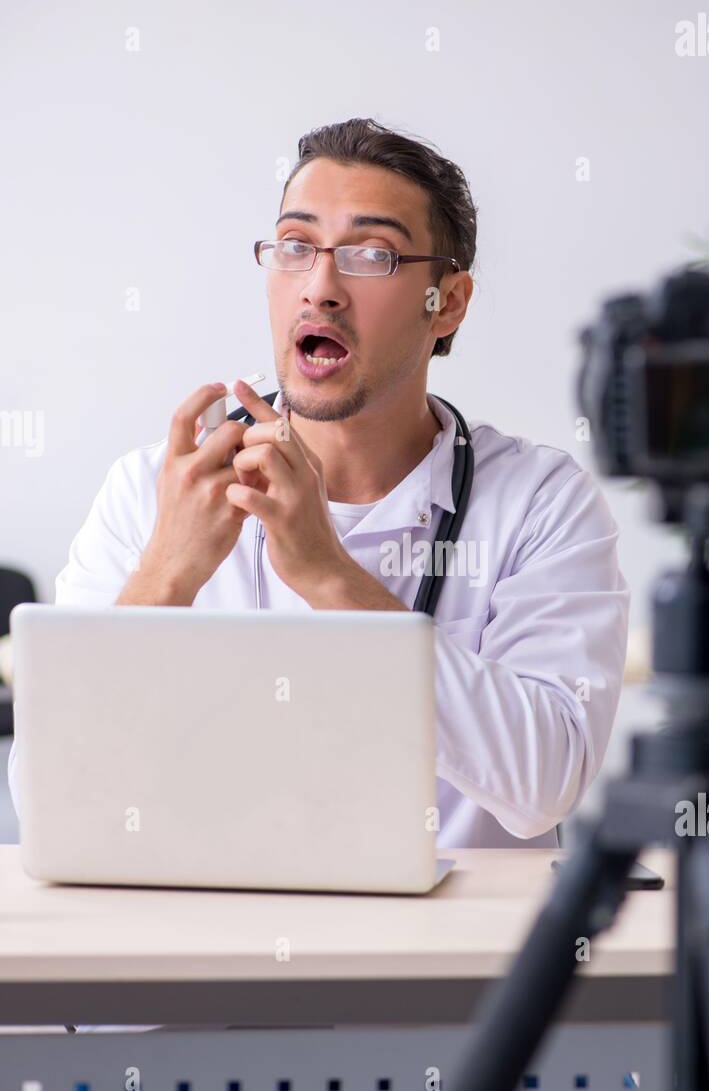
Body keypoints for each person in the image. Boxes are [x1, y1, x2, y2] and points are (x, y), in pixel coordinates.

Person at [8, 117, 629, 849]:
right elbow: (47, 794)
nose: (321, 287)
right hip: (206, 939)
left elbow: (544, 786)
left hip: (456, 953)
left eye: (373, 254)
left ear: (448, 302)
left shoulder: (538, 502)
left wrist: (331, 578)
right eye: (296, 247)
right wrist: (166, 574)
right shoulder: (152, 489)